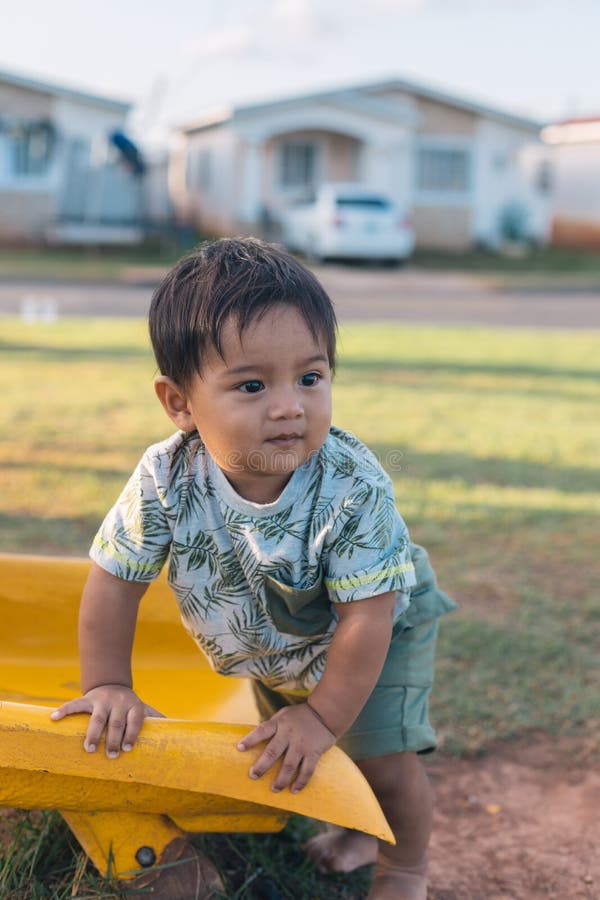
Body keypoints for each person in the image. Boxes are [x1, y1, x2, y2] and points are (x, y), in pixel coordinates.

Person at [52, 237, 456, 900]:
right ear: (180, 402)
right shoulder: (166, 477)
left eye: (310, 378)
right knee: (302, 743)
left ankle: (403, 866)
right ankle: (354, 829)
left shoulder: (352, 486)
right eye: (251, 385)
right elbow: (113, 583)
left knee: (379, 756)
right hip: (274, 641)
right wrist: (109, 684)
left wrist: (321, 717)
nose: (289, 405)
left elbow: (367, 617)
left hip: (377, 631)